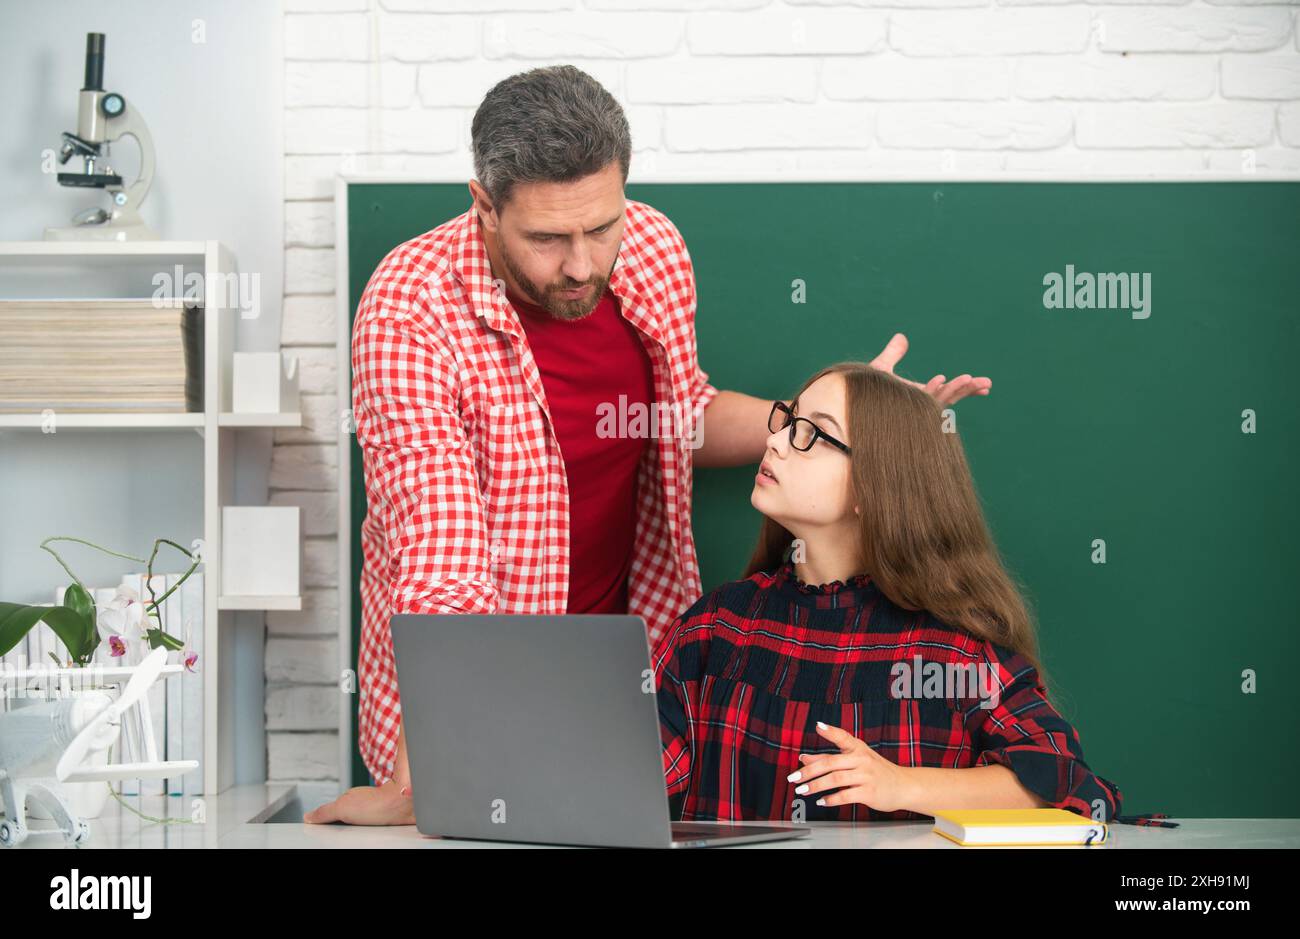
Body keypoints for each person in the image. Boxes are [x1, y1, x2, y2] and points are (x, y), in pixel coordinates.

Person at [306, 66, 989, 827]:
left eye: (600, 227)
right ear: (484, 207)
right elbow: (444, 571)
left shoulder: (655, 249)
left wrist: (856, 432)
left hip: (629, 685)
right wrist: (421, 787)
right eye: (546, 238)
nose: (582, 264)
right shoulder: (409, 309)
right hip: (466, 706)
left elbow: (679, 416)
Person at [655, 361, 1127, 823]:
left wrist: (900, 783)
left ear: (873, 483)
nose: (774, 440)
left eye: (809, 433)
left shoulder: (952, 651)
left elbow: (1067, 785)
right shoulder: (716, 626)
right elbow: (631, 772)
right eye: (787, 420)